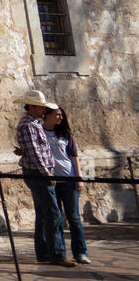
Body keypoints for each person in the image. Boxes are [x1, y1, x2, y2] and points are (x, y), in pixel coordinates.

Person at [13, 89, 75, 267]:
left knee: (43, 213)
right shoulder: (28, 125)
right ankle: (56, 253)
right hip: (39, 174)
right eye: (40, 107)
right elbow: (34, 152)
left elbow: (33, 149)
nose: (43, 110)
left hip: (39, 172)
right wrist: (46, 172)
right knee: (53, 212)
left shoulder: (33, 123)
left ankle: (43, 252)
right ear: (31, 107)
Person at [46, 106, 91, 264]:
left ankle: (80, 252)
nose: (60, 118)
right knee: (56, 218)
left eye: (61, 115)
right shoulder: (40, 132)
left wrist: (78, 178)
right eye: (56, 115)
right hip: (52, 181)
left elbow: (74, 156)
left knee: (73, 217)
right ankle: (60, 253)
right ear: (48, 115)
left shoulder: (65, 134)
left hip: (68, 179)